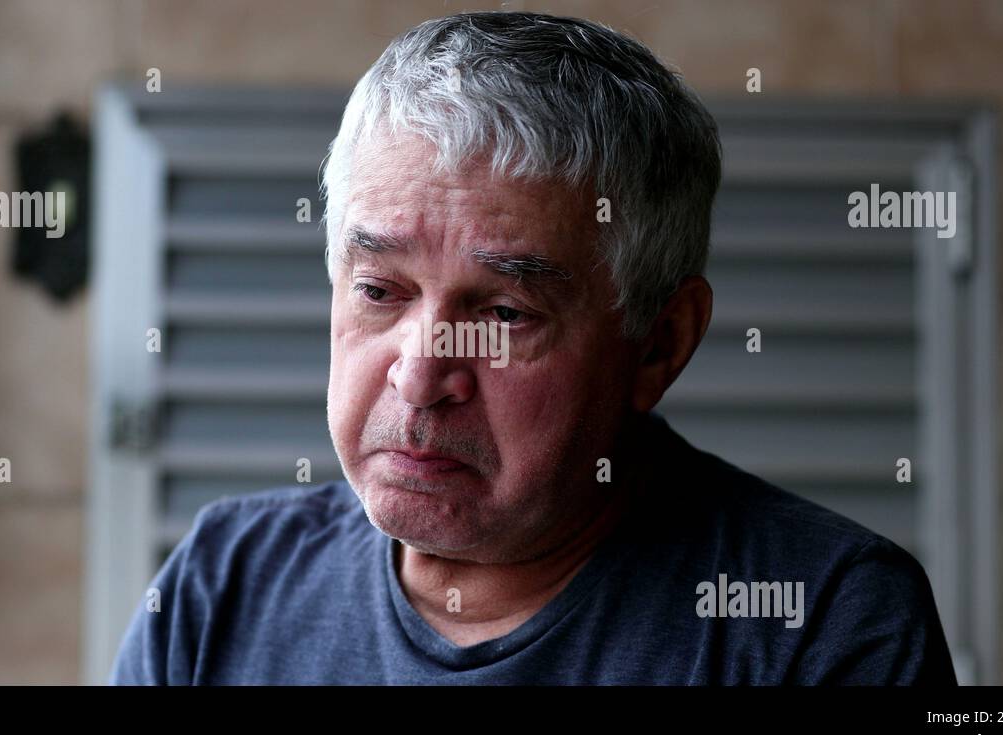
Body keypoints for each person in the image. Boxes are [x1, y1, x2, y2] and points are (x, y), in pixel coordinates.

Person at [110, 11, 956, 685]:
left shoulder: (824, 622)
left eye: (507, 314)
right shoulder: (221, 587)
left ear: (658, 346)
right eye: (379, 290)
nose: (419, 375)